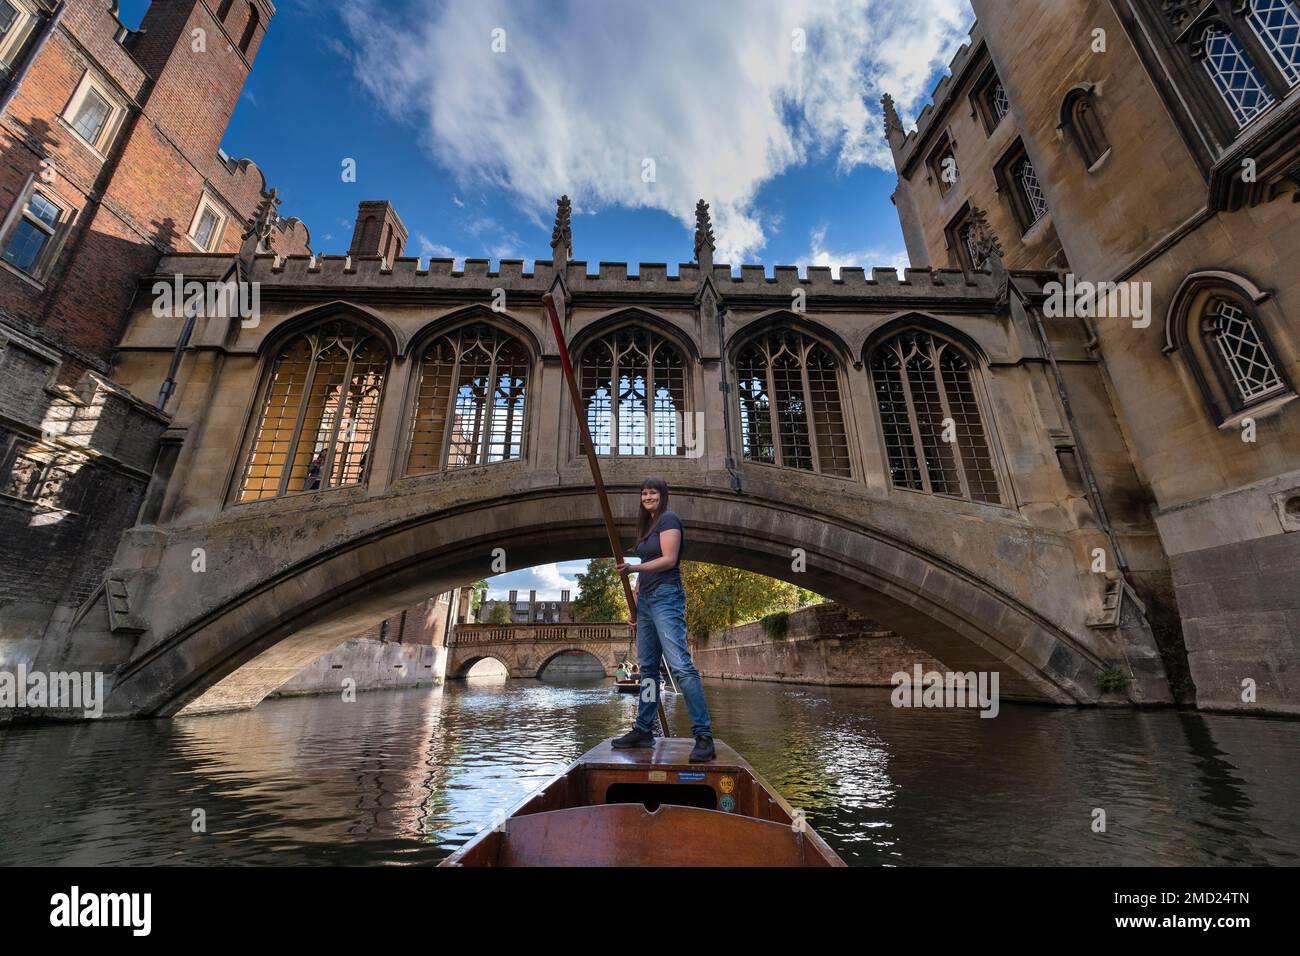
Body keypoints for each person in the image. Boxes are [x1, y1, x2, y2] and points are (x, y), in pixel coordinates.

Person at [611, 476, 715, 762]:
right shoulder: (647, 529)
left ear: (662, 495)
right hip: (646, 601)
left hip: (667, 596)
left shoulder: (669, 519)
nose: (647, 497)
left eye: (652, 493)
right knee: (648, 670)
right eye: (644, 493)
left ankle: (704, 736)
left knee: (681, 666)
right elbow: (645, 575)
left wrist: (633, 566)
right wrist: (635, 606)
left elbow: (669, 559)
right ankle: (644, 730)